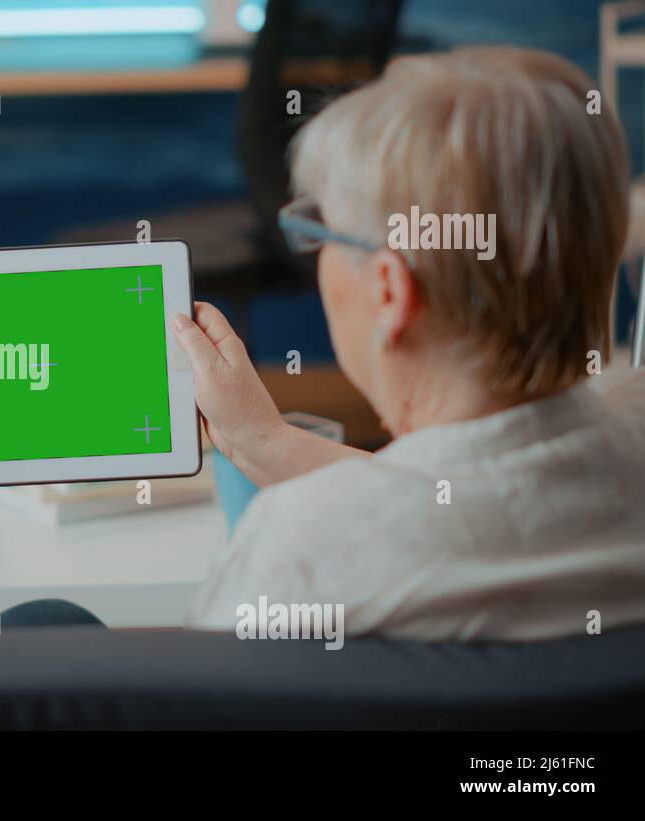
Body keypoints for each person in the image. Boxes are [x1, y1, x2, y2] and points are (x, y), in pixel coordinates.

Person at [175, 47, 645, 642]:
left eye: (317, 227)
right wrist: (260, 440)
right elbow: (488, 486)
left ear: (390, 290)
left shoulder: (293, 560)